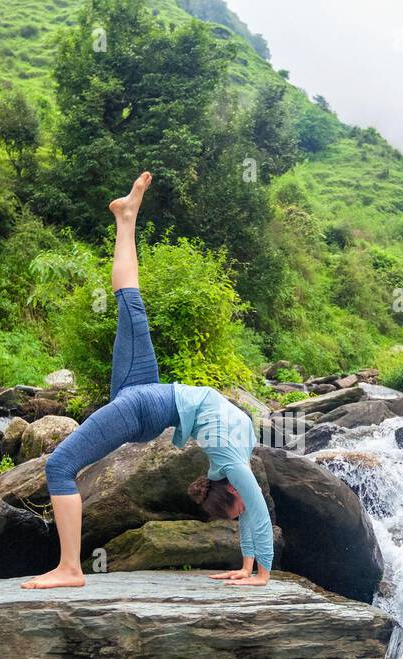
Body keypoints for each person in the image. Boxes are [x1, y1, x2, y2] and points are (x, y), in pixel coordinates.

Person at [21, 171, 274, 590]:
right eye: (235, 511)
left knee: (59, 466)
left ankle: (70, 568)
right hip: (144, 400)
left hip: (150, 403)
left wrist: (250, 566)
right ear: (230, 491)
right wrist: (259, 572)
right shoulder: (230, 459)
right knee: (129, 303)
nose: (241, 513)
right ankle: (127, 217)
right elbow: (257, 511)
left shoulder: (230, 459)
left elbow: (249, 512)